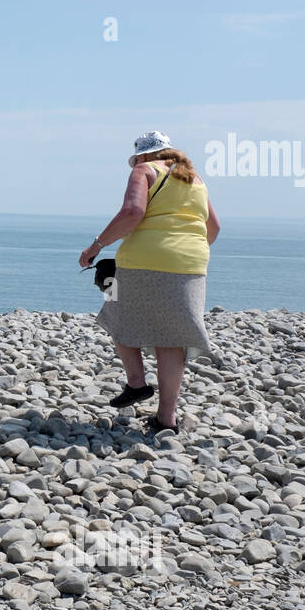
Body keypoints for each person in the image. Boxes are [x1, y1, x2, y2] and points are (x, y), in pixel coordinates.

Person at [79, 131, 221, 432]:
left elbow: (132, 212)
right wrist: (187, 252)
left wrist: (96, 246)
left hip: (144, 260)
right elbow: (214, 227)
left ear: (143, 156)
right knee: (171, 339)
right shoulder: (195, 180)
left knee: (115, 314)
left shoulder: (144, 171)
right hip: (193, 264)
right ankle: (166, 419)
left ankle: (136, 383)